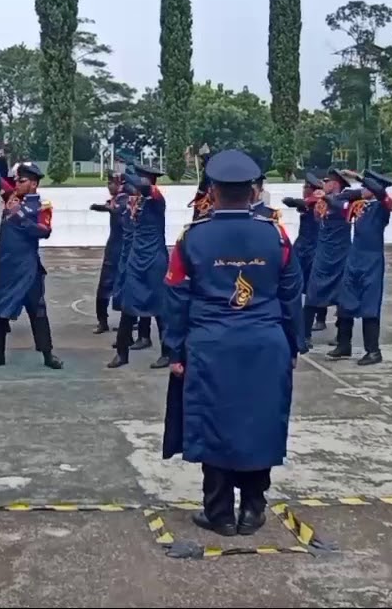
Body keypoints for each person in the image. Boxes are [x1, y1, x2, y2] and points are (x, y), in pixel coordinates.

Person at [161, 149, 306, 537]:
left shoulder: (192, 237)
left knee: (214, 422)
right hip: (266, 343)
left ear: (213, 190)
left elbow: (176, 296)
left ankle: (220, 512)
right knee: (260, 421)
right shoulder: (276, 235)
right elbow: (292, 293)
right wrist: (294, 345)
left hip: (211, 345)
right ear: (253, 190)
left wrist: (175, 349)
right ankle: (253, 510)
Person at [0, 136, 63, 370]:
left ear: (33, 184)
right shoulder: (10, 195)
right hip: (6, 266)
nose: (16, 183)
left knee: (38, 311)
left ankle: (47, 353)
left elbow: (44, 232)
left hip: (28, 268)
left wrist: (21, 216)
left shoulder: (42, 206)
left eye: (21, 180)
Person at [331, 170, 392, 365]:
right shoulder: (359, 206)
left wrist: (358, 176)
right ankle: (344, 345)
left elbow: (378, 191)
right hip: (355, 258)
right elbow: (338, 202)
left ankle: (373, 351)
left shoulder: (384, 205)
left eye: (366, 186)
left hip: (372, 261)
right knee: (345, 302)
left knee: (369, 306)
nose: (363, 189)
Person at [109, 159, 170, 369]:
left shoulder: (156, 197)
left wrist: (126, 173)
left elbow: (142, 186)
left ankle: (167, 352)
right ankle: (122, 353)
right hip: (137, 259)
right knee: (128, 304)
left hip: (155, 260)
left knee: (160, 308)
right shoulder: (138, 201)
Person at [305, 168, 354, 345]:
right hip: (324, 252)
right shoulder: (321, 201)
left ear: (335, 184)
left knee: (343, 297)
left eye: (327, 182)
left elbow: (342, 206)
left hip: (341, 254)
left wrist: (357, 177)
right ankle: (305, 335)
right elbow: (312, 209)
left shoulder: (348, 197)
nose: (324, 185)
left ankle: (342, 339)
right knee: (312, 292)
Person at [283, 173, 328, 340]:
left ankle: (319, 319)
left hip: (313, 247)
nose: (303, 190)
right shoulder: (310, 202)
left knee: (313, 285)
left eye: (305, 187)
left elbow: (302, 202)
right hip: (302, 246)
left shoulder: (318, 201)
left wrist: (298, 202)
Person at [89, 173, 126, 334]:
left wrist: (103, 207)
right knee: (104, 286)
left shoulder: (124, 200)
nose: (109, 186)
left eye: (112, 183)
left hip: (123, 249)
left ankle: (129, 322)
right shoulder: (116, 200)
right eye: (108, 183)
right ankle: (102, 321)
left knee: (125, 286)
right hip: (113, 248)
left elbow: (114, 209)